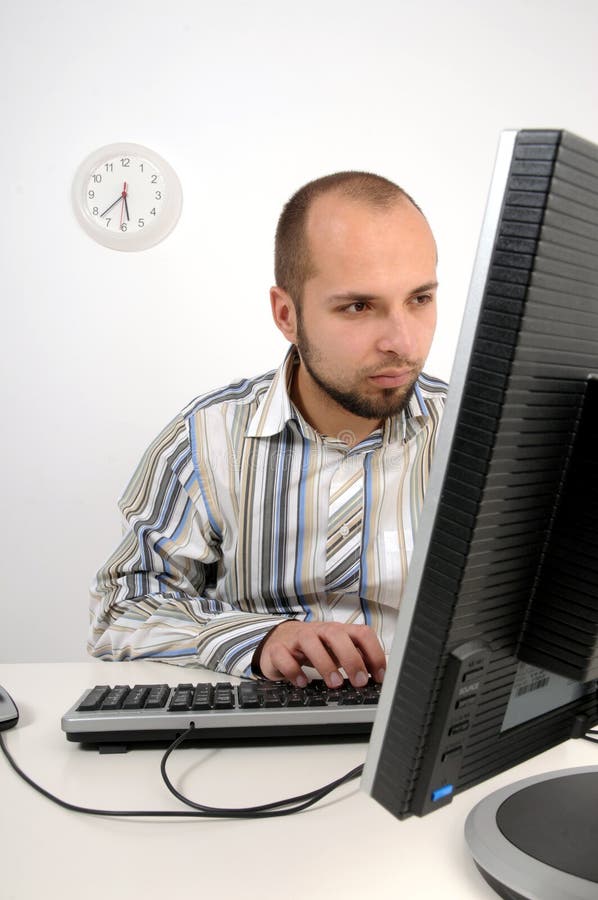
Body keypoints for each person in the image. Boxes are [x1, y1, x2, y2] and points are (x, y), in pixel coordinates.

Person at [89, 171, 447, 690]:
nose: (403, 341)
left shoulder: (482, 437)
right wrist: (259, 639)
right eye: (358, 307)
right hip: (257, 737)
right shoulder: (206, 439)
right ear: (287, 314)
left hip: (430, 732)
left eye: (420, 299)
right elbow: (119, 611)